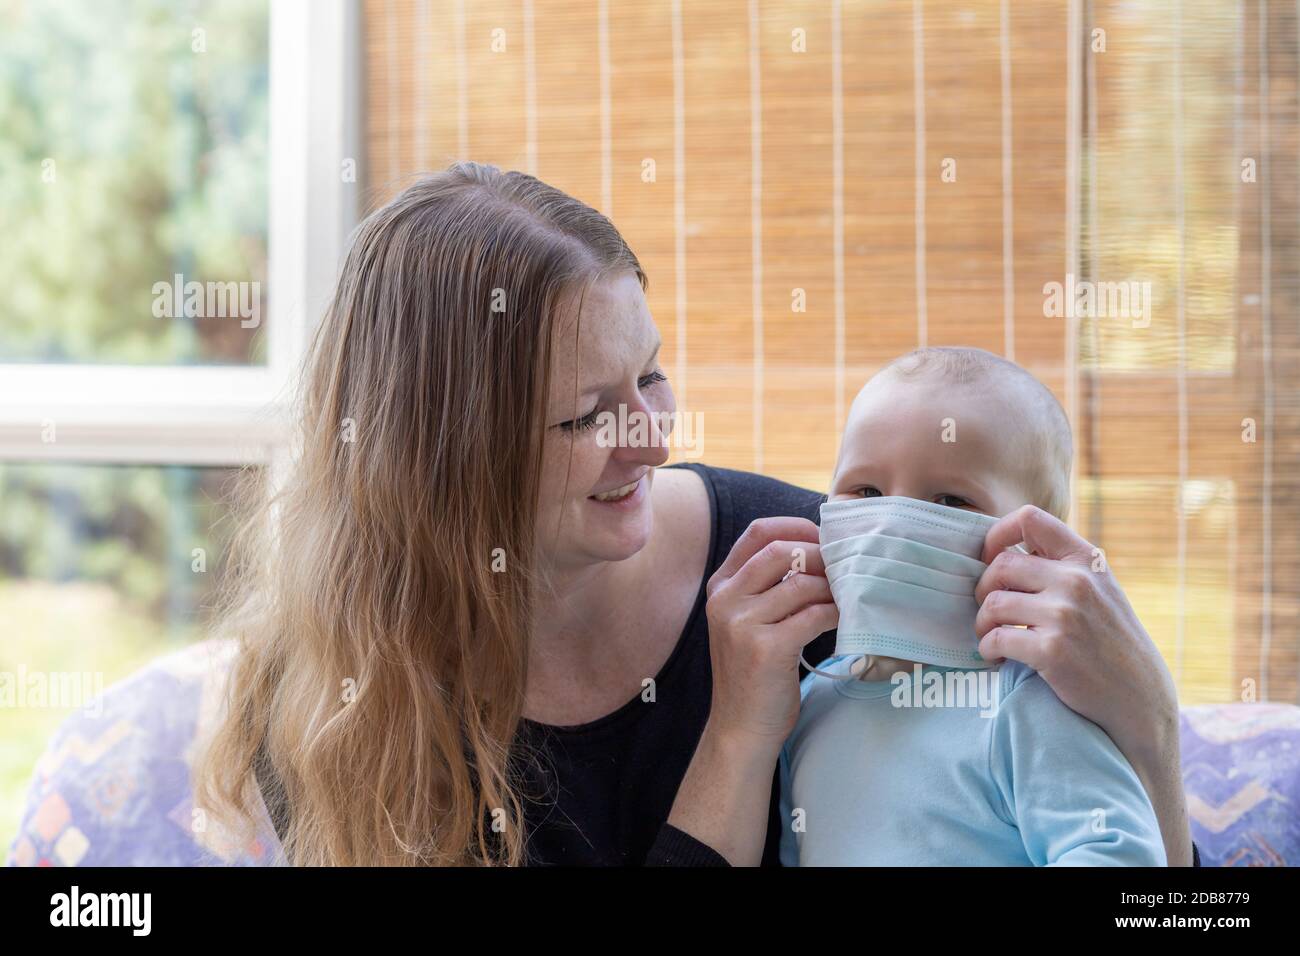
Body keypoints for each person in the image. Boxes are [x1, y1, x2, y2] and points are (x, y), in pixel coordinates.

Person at [190, 162, 1194, 866]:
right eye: (587, 414)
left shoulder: (826, 570)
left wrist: (1146, 724)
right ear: (444, 458)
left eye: (652, 374)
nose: (651, 437)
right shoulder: (336, 697)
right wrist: (736, 739)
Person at [780, 347, 1165, 865]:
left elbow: (1122, 854)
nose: (893, 521)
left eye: (949, 500)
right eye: (866, 490)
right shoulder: (808, 705)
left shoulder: (1025, 706)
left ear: (1033, 540)